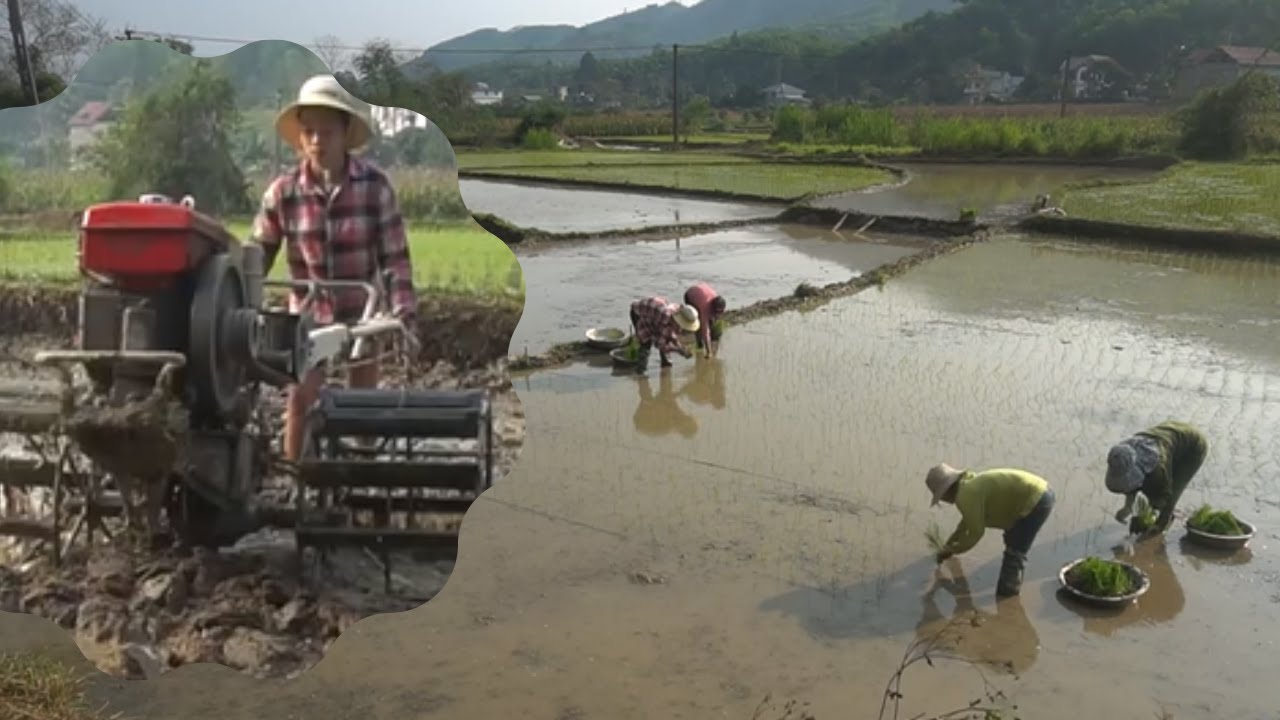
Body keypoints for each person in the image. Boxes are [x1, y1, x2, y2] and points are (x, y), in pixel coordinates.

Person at [251, 74, 418, 462]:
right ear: (300, 138)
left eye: (326, 132)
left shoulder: (375, 187)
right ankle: (298, 477)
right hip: (308, 315)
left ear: (345, 134)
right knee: (300, 399)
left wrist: (404, 316)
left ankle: (362, 472)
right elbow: (257, 256)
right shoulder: (283, 193)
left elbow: (395, 259)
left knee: (361, 405)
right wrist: (240, 304)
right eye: (309, 132)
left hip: (362, 312)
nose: (317, 141)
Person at [926, 463, 1056, 598]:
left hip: (1036, 500)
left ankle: (1007, 594)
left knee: (1015, 552)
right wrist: (949, 544)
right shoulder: (968, 485)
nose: (943, 501)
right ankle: (1010, 602)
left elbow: (976, 533)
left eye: (941, 497)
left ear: (946, 491)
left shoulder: (966, 495)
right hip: (1042, 492)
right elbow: (965, 524)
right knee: (1013, 538)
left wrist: (952, 550)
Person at [1106, 420, 1208, 536]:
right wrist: (1127, 507)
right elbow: (1130, 485)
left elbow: (1165, 496)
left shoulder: (1158, 470)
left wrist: (1155, 521)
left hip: (1193, 446)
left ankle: (1164, 523)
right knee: (1151, 490)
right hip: (1170, 433)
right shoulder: (1119, 456)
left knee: (1172, 492)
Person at [629, 296, 698, 372]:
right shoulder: (666, 320)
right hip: (639, 312)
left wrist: (680, 347)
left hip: (655, 311)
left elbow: (671, 335)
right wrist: (679, 350)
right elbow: (660, 345)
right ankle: (641, 371)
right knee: (646, 344)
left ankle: (666, 366)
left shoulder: (678, 311)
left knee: (666, 339)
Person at [682, 282, 727, 358]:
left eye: (720, 312)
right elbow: (705, 330)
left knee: (712, 322)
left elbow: (717, 314)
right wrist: (709, 352)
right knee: (697, 322)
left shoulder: (718, 300)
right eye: (716, 312)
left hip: (702, 291)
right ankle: (699, 343)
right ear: (712, 307)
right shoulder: (705, 308)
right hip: (690, 296)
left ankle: (706, 340)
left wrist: (715, 318)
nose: (718, 314)